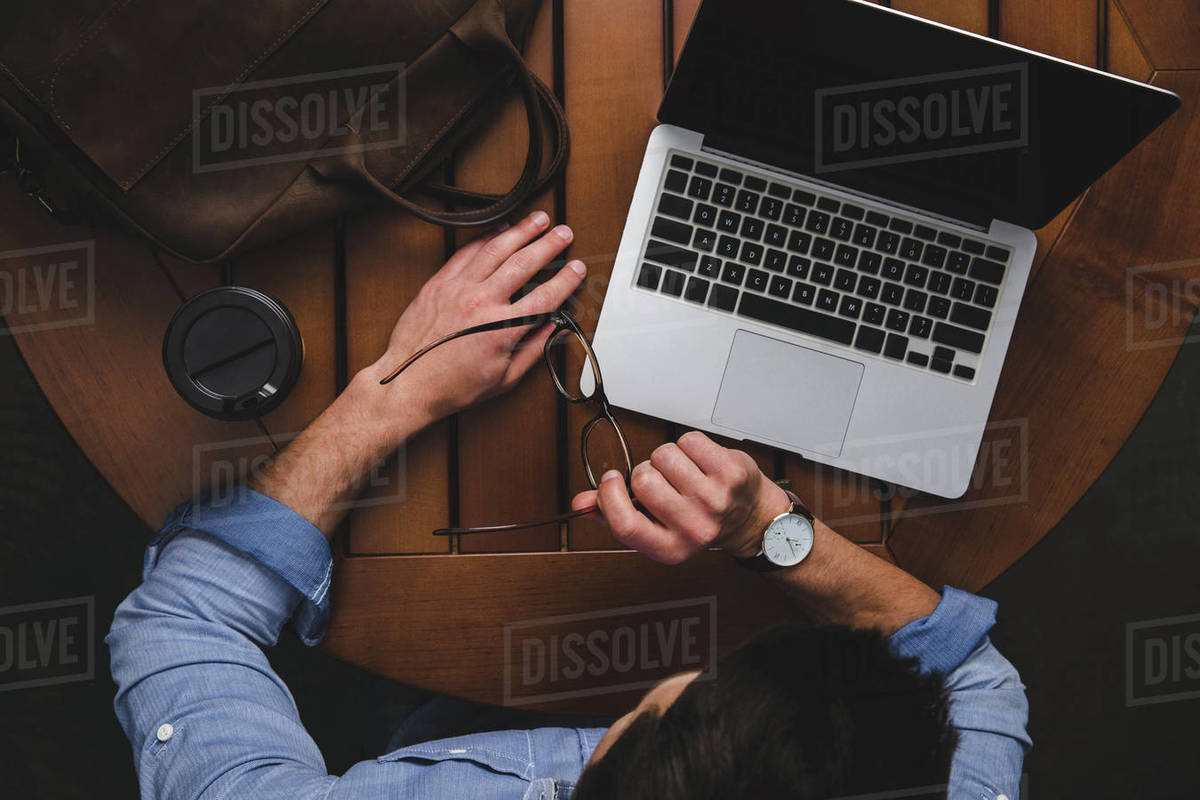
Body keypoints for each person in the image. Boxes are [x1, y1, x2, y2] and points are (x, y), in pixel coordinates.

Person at [107, 211, 1030, 799]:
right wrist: (768, 531)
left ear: (596, 765)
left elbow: (184, 625)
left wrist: (395, 391)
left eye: (673, 697)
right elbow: (975, 685)